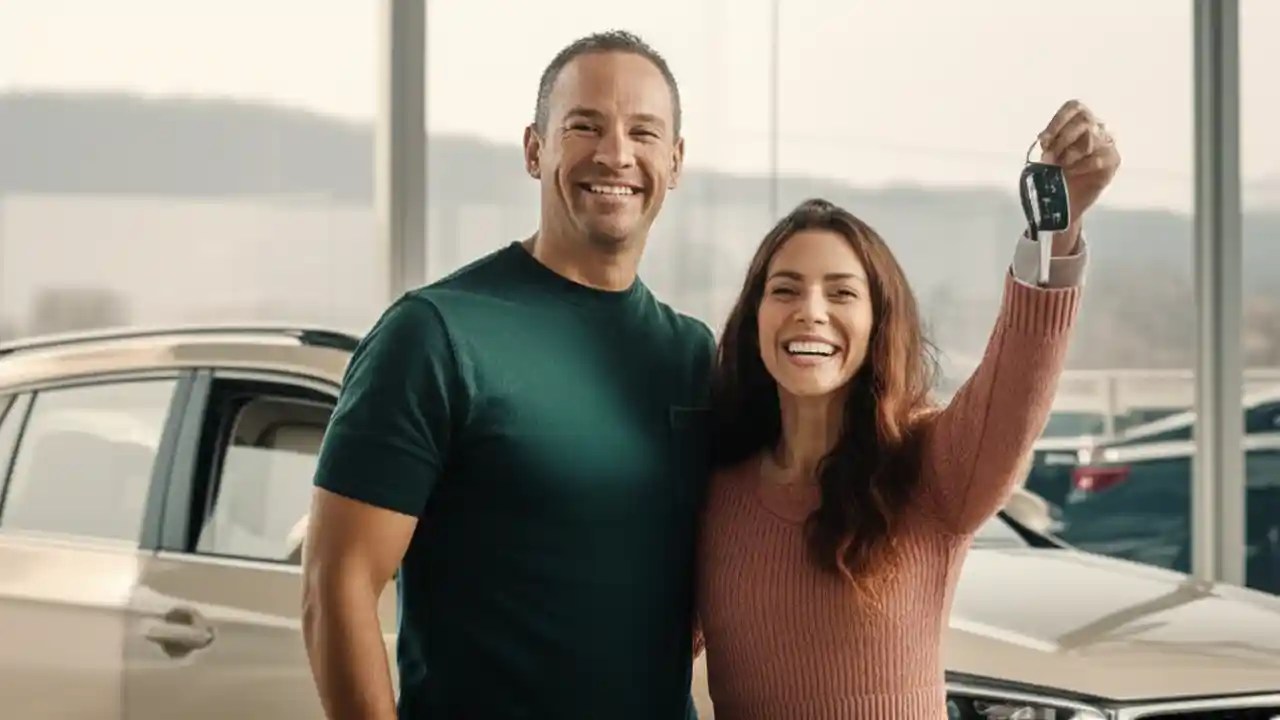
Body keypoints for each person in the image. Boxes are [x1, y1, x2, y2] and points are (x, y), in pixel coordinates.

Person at [301, 31, 713, 720]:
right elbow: (333, 586)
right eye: (585, 126)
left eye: (643, 132)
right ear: (534, 149)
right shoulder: (434, 335)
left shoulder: (694, 356)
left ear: (673, 162)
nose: (616, 154)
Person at [696, 100, 1120, 719]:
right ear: (753, 319)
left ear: (876, 326)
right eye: (784, 289)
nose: (810, 310)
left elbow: (1017, 378)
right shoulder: (714, 492)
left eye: (841, 292)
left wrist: (1057, 228)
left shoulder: (930, 472)